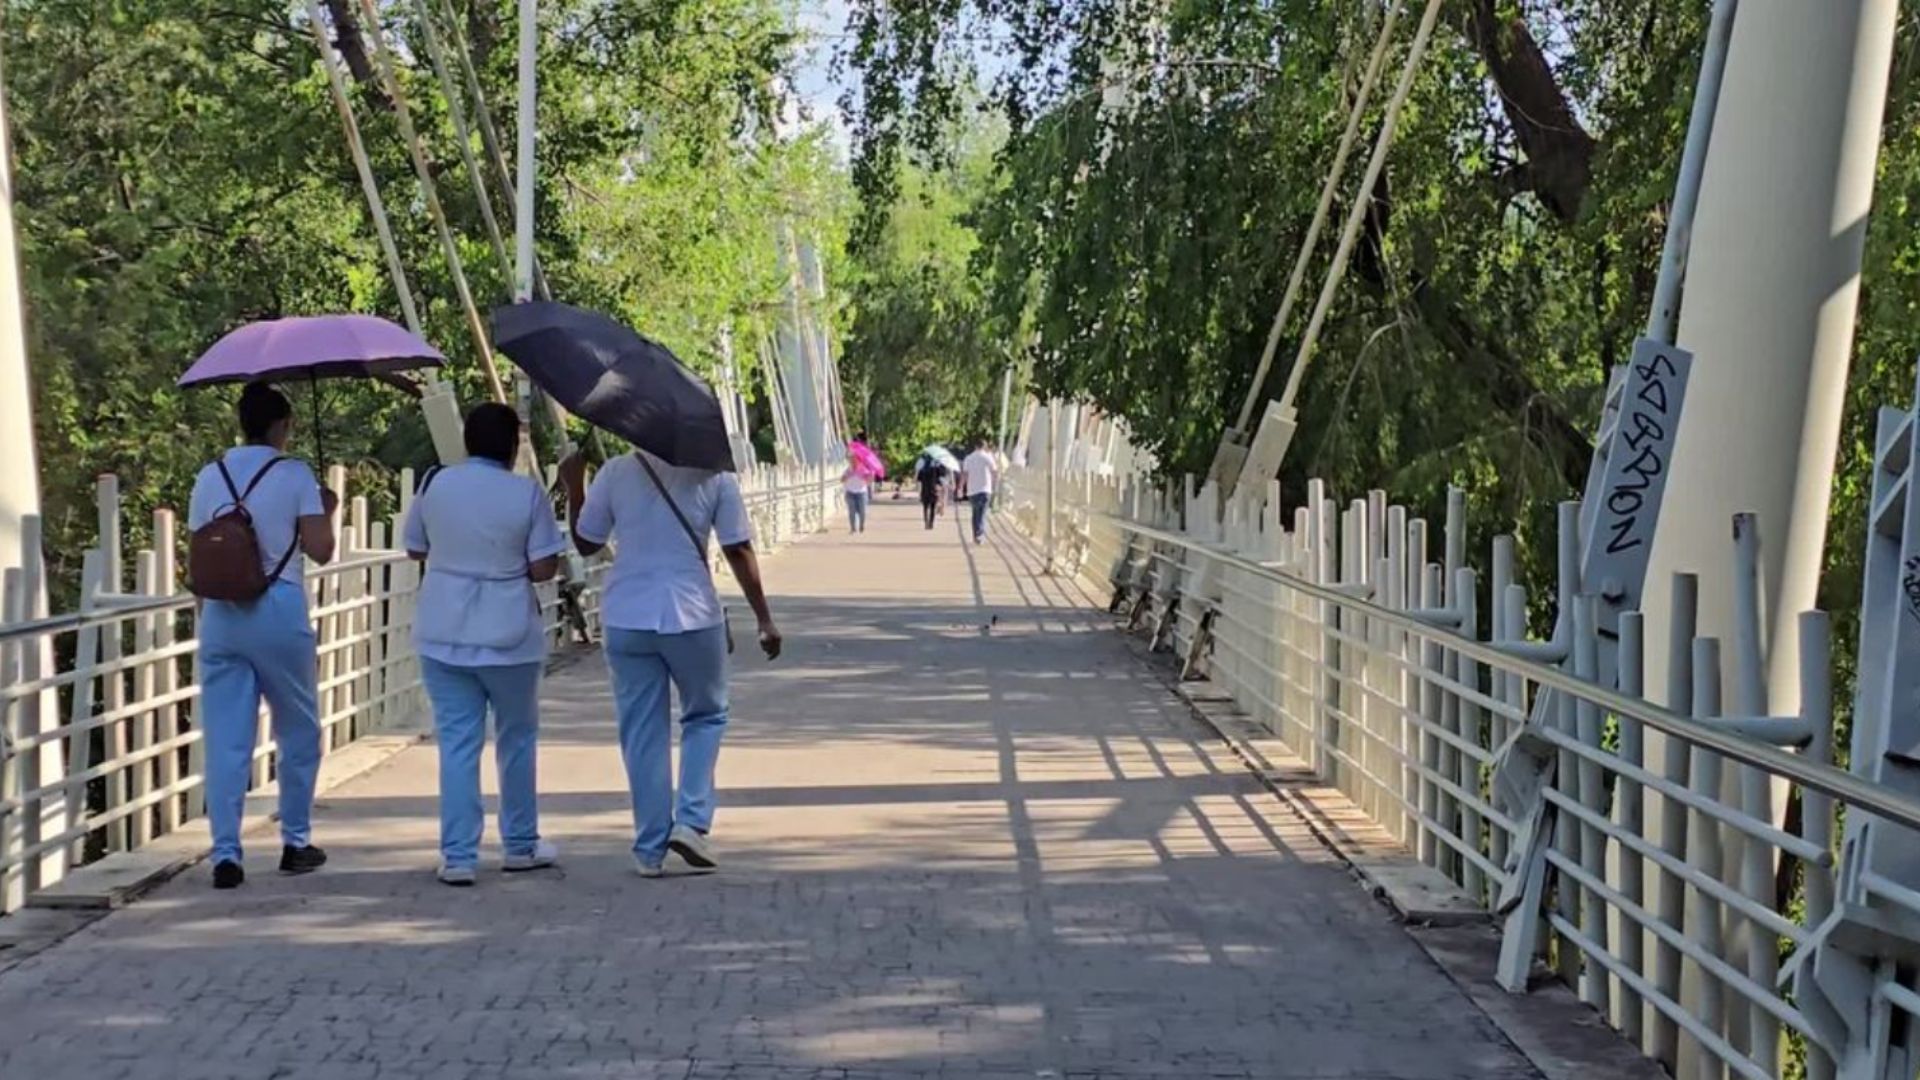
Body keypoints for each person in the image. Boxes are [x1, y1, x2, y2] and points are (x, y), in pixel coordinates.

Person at [560, 447, 782, 878]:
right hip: (692, 614)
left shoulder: (615, 471)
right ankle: (692, 822)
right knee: (706, 715)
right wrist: (763, 617)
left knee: (642, 731)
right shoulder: (714, 475)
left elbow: (587, 542)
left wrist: (574, 486)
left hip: (627, 615)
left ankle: (648, 849)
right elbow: (737, 548)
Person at [403, 404, 568, 887]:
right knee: (516, 740)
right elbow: (543, 568)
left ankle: (457, 855)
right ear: (513, 446)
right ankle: (519, 844)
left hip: (443, 629)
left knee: (457, 744)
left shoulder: (435, 484)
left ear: (468, 441)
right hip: (508, 633)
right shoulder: (526, 493)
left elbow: (415, 546)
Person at [186, 382, 337, 889]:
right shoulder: (294, 473)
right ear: (282, 425)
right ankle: (295, 841)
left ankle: (226, 852)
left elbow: (199, 553)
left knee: (228, 739)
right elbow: (321, 550)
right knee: (297, 729)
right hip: (278, 610)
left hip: (221, 615)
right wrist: (325, 509)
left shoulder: (210, 476)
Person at [960, 438, 998, 544]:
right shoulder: (987, 457)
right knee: (982, 513)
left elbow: (965, 474)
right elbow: (994, 471)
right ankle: (979, 534)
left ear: (975, 446)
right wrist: (994, 484)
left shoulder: (968, 458)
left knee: (975, 513)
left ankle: (976, 534)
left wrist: (960, 487)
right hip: (985, 489)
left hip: (972, 490)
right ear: (984, 446)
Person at [915, 453, 948, 530]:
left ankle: (926, 522)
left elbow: (919, 480)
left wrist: (919, 492)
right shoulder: (936, 469)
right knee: (933, 507)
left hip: (925, 490)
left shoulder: (922, 469)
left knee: (925, 507)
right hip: (933, 490)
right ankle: (931, 523)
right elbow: (941, 476)